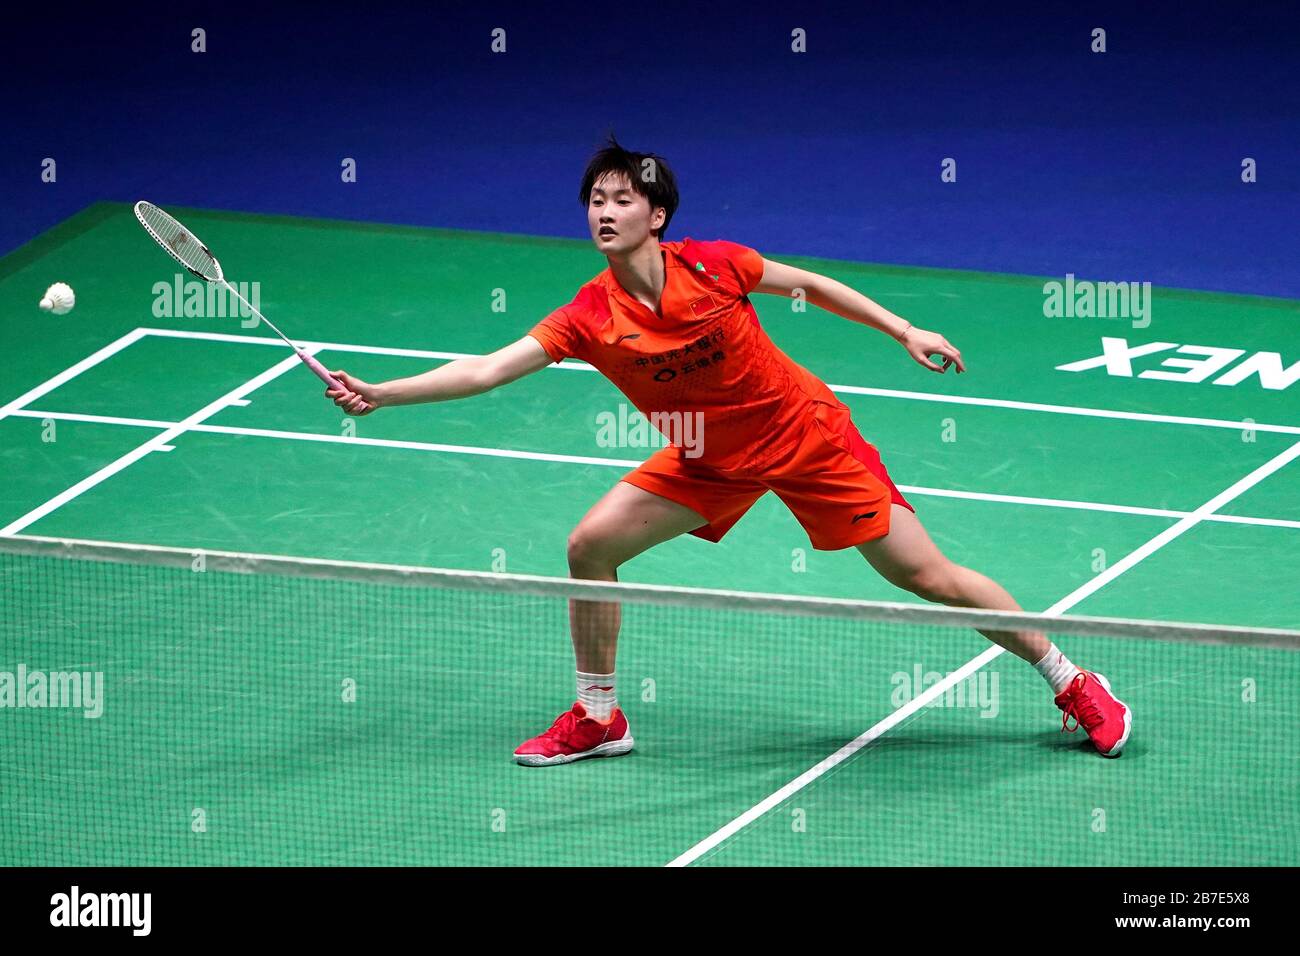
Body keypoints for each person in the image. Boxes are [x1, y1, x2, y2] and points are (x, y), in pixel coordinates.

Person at [327, 135, 1132, 766]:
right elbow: (487, 369)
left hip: (806, 439)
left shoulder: (715, 266)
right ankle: (600, 717)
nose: (603, 211)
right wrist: (382, 394)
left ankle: (1073, 681)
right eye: (595, 200)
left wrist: (903, 329)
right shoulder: (589, 316)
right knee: (589, 546)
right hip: (706, 458)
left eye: (621, 198)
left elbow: (810, 286)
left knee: (928, 576)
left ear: (657, 216)